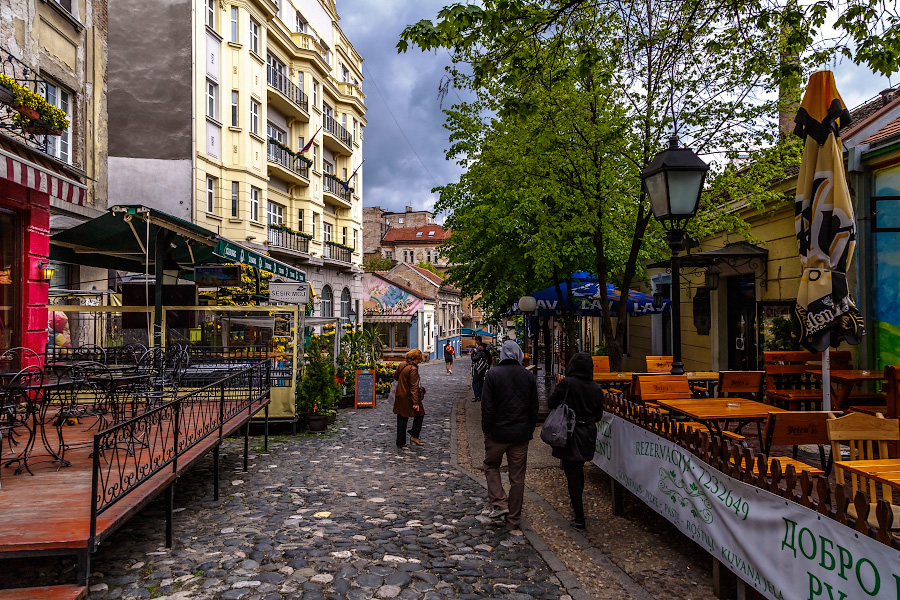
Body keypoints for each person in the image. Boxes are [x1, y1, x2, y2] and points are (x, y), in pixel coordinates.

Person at [481, 340, 538, 530]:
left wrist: (486, 429)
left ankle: (500, 503)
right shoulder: (528, 376)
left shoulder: (493, 374)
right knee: (517, 478)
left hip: (497, 433)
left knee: (490, 466)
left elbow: (487, 406)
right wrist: (529, 429)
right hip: (520, 435)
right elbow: (534, 407)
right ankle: (513, 520)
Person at [546, 352, 604, 530]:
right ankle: (576, 505)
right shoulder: (596, 388)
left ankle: (579, 516)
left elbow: (551, 403)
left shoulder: (567, 383)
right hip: (587, 433)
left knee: (572, 472)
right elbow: (599, 415)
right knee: (579, 469)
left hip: (570, 433)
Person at [393, 349, 426, 448]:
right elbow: (414, 387)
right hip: (408, 396)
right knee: (420, 413)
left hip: (400, 395)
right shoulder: (413, 369)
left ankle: (400, 442)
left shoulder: (402, 364)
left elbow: (395, 377)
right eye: (419, 359)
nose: (420, 361)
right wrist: (415, 402)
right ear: (416, 358)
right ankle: (414, 435)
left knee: (402, 417)